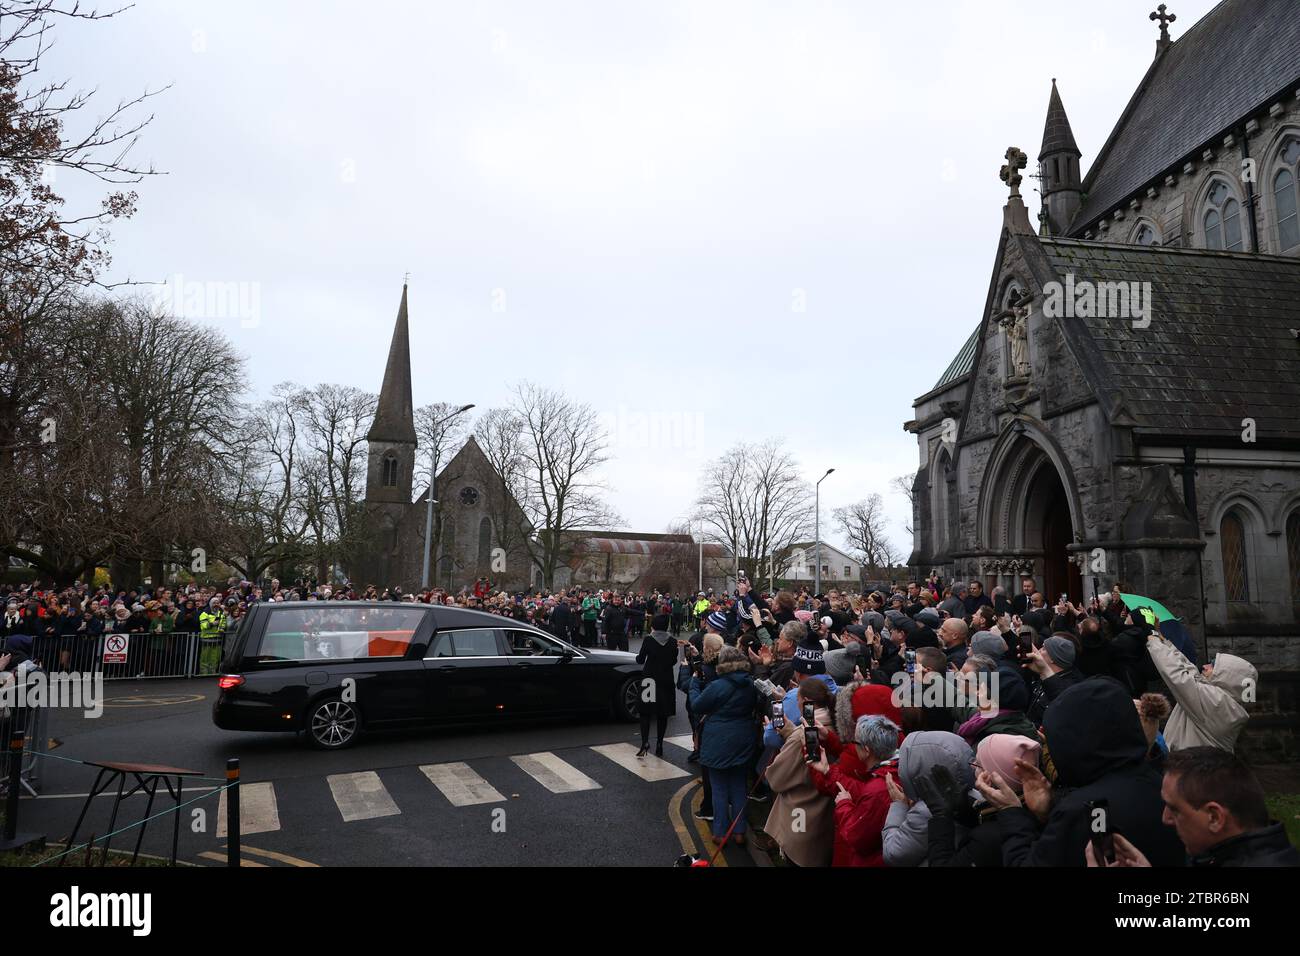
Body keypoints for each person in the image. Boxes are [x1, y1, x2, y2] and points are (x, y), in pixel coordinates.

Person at [983, 676, 1187, 867]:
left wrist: (1011, 811)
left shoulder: (1086, 810)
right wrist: (1049, 811)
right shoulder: (1165, 783)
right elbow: (1102, 849)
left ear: (1073, 741)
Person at [687, 645, 759, 846]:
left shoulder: (718, 686)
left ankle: (720, 832)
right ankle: (739, 831)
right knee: (738, 786)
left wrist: (693, 683)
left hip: (718, 738)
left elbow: (697, 705)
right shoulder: (751, 685)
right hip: (743, 736)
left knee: (718, 788)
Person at [808, 714, 901, 867]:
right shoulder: (893, 769)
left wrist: (844, 804)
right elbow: (860, 789)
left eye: (855, 741)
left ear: (866, 750)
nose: (852, 745)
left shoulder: (877, 790)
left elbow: (856, 836)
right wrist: (827, 770)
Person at [762, 676, 836, 866]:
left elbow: (776, 779)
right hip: (825, 817)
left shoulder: (802, 734)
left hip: (800, 816)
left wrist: (792, 736)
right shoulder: (833, 726)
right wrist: (789, 731)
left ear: (805, 702)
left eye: (797, 700)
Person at [1145, 630, 1256, 753]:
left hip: (1188, 768)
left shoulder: (1218, 704)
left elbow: (1178, 676)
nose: (1205, 666)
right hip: (1192, 766)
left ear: (1228, 677)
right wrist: (1164, 642)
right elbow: (1190, 671)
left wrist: (1154, 640)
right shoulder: (1226, 703)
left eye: (1213, 665)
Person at [882, 731, 976, 867]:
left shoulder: (926, 811)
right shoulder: (972, 794)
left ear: (917, 768)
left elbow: (893, 854)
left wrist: (899, 805)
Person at [635, 613, 678, 757]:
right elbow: (673, 661)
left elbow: (641, 660)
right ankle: (660, 743)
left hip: (649, 679)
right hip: (665, 679)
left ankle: (645, 742)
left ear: (654, 625)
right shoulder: (672, 641)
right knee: (662, 713)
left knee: (645, 712)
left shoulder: (648, 640)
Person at [1024, 634, 1084, 726]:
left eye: (1043, 648)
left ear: (1053, 658)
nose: (1039, 651)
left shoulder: (1070, 689)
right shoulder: (1042, 675)